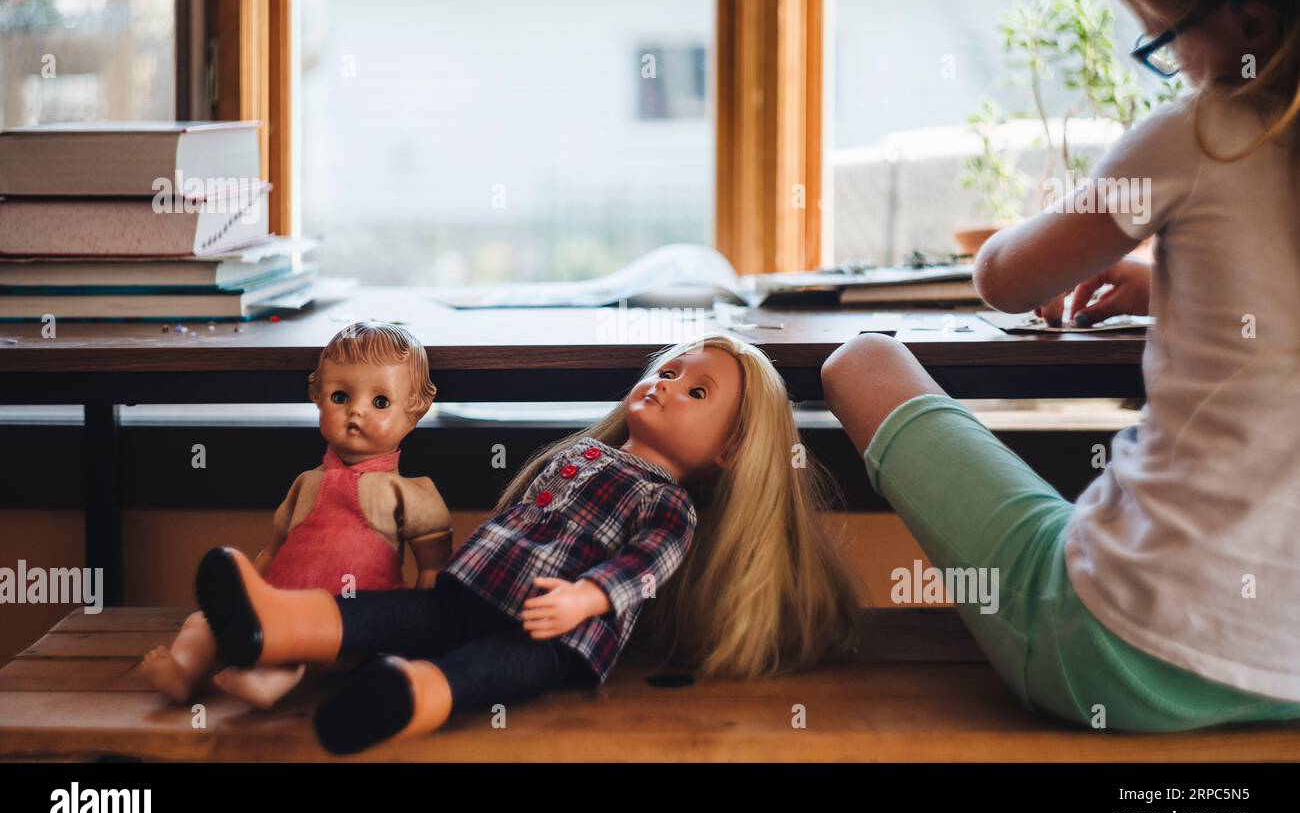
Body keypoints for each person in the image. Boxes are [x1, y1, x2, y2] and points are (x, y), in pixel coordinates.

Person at [822, 0, 1300, 730]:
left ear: (1250, 25)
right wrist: (1172, 283)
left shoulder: (1200, 133)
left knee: (860, 361)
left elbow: (1003, 277)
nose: (1175, 68)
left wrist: (1064, 229)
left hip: (1118, 655)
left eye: (1160, 42)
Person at [195, 333, 861, 753]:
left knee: (485, 671)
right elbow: (524, 518)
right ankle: (273, 623)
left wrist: (585, 598)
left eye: (695, 390)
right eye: (668, 369)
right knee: (383, 612)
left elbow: (643, 568)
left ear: (732, 448)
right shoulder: (584, 454)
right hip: (476, 586)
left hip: (552, 630)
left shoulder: (670, 504)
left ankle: (406, 696)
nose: (664, 383)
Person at [140, 321, 451, 708]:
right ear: (317, 397)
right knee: (202, 624)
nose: (356, 410)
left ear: (415, 410)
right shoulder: (305, 483)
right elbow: (274, 550)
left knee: (299, 636)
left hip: (347, 624)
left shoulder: (408, 491)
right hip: (272, 612)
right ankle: (183, 671)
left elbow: (433, 572)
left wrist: (423, 627)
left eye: (380, 402)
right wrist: (244, 591)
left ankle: (268, 681)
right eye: (340, 397)